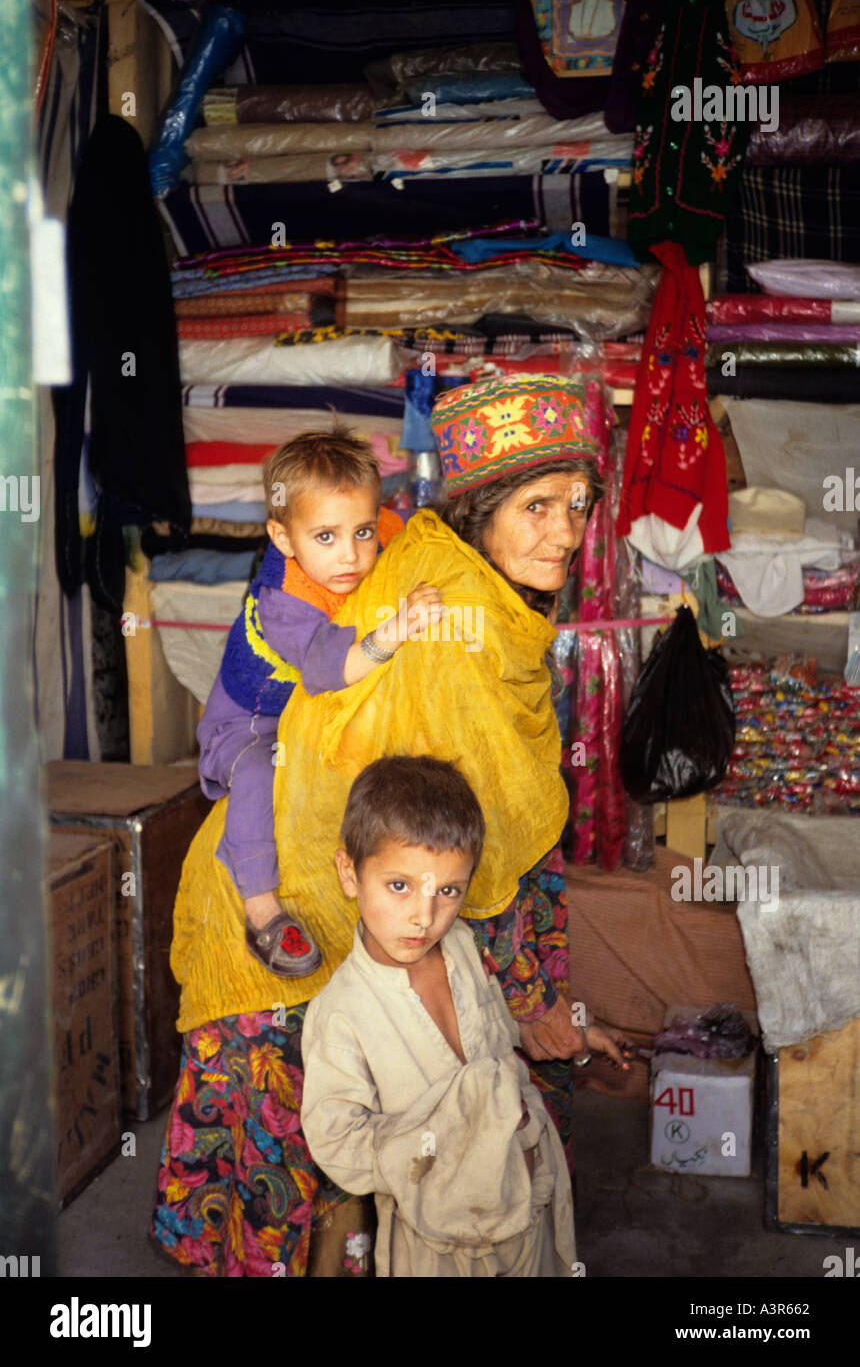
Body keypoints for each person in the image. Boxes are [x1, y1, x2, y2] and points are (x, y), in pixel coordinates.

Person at [152, 374, 633, 1277]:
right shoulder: (450, 616)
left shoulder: (483, 591)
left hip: (363, 891)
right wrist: (531, 1000)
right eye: (536, 505)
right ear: (480, 511)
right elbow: (472, 849)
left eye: (578, 503)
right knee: (305, 1162)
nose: (565, 531)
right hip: (287, 907)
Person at [301, 755, 576, 1278]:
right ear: (349, 873)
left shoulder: (466, 948)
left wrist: (554, 1040)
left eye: (447, 891)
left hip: (527, 1207)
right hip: (436, 1244)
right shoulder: (341, 1013)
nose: (424, 917)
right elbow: (337, 1142)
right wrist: (445, 1149)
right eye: (399, 886)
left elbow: (494, 1030)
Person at [196, 426, 442, 976]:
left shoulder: (366, 534)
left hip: (305, 719)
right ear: (282, 539)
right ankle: (263, 912)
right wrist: (398, 628)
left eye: (362, 532)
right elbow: (340, 668)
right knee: (259, 774)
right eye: (325, 538)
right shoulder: (284, 604)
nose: (352, 555)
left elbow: (405, 530)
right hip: (248, 726)